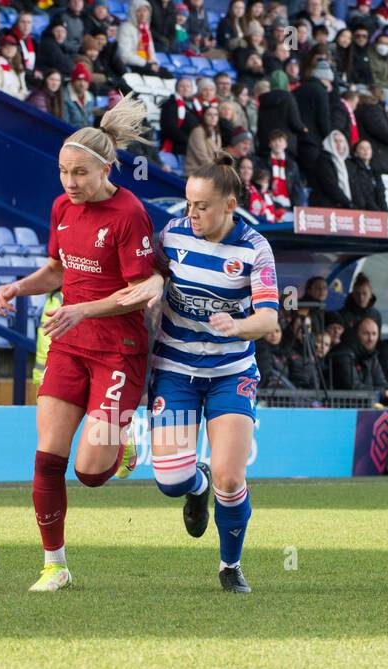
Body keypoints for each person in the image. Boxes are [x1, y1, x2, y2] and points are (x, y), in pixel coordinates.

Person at [0, 96, 162, 593]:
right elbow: (58, 268)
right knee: (47, 457)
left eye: (80, 173)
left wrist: (83, 308)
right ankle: (55, 565)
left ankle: (123, 443)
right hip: (70, 345)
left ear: (107, 168)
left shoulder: (129, 212)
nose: (70, 182)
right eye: (64, 172)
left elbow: (140, 292)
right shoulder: (62, 207)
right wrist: (18, 287)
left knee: (89, 473)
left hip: (118, 350)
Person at [142, 153, 279, 593]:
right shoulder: (173, 234)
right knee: (170, 481)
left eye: (202, 206)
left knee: (231, 477)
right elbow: (150, 274)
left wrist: (237, 325)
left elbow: (269, 320)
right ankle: (194, 486)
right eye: (188, 204)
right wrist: (152, 288)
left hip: (229, 371)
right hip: (175, 368)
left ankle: (229, 565)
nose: (192, 214)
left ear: (229, 206)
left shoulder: (254, 248)